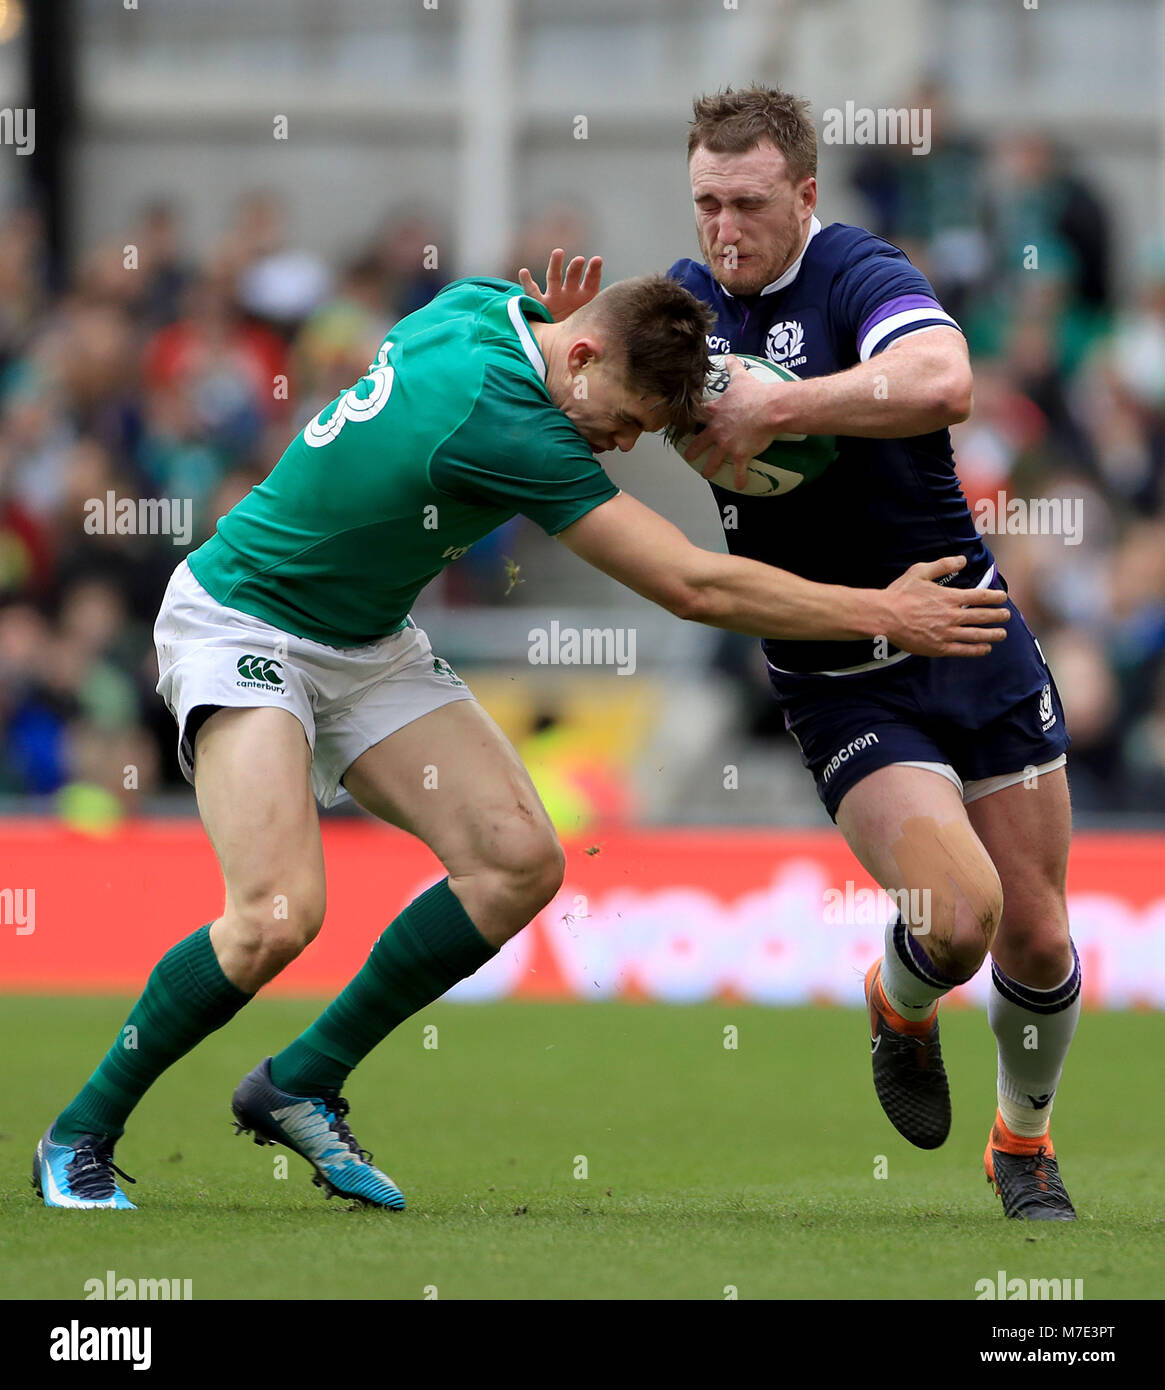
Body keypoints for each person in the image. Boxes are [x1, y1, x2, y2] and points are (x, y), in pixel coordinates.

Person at [33, 269, 1007, 1211]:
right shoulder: (510, 424)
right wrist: (882, 611)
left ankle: (301, 1081)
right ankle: (78, 1134)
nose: (620, 445)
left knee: (516, 863)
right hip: (244, 621)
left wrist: (560, 310)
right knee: (275, 915)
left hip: (363, 640)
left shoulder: (488, 309)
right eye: (623, 417)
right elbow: (691, 586)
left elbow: (520, 310)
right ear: (579, 357)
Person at [522, 85, 1077, 1221]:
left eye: (749, 203)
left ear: (806, 196)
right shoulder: (675, 309)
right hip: (840, 669)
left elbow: (946, 381)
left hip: (967, 629)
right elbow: (583, 396)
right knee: (959, 917)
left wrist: (785, 407)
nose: (724, 230)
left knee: (1038, 928)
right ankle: (900, 994)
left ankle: (1022, 1143)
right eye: (705, 203)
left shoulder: (855, 272)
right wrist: (549, 350)